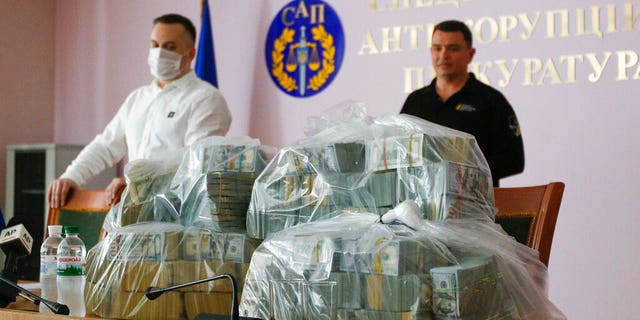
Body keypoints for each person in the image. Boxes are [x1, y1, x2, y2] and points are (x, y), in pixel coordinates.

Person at [49, 13, 232, 208]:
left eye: (170, 47)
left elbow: (197, 162)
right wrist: (71, 177)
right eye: (155, 45)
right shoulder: (138, 98)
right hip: (132, 212)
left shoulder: (206, 98)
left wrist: (136, 181)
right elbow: (105, 145)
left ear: (191, 54)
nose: (160, 53)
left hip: (179, 216)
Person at [401, 20, 524, 187]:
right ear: (431, 51)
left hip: (474, 206)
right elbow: (399, 154)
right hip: (419, 206)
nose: (444, 55)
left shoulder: (491, 100)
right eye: (437, 48)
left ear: (470, 54)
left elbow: (514, 160)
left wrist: (459, 172)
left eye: (453, 49)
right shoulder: (415, 101)